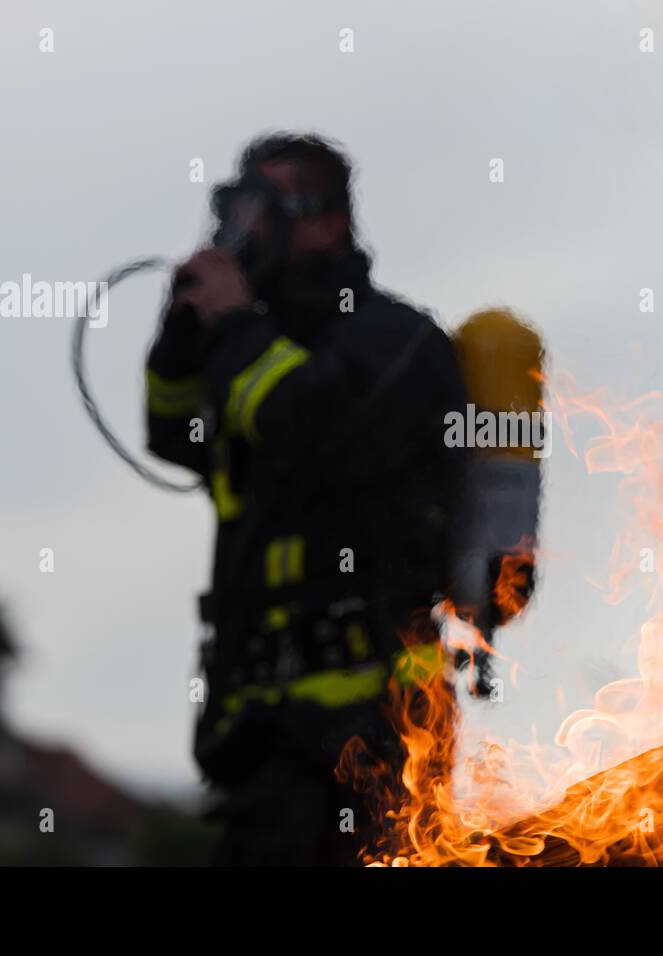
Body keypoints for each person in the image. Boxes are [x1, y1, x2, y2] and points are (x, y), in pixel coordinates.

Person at [142, 132, 467, 864]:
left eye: (266, 209)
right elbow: (173, 435)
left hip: (380, 721)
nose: (245, 230)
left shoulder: (395, 340)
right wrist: (181, 338)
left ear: (326, 220)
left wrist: (234, 325)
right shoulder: (249, 342)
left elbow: (311, 428)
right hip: (257, 725)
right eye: (236, 208)